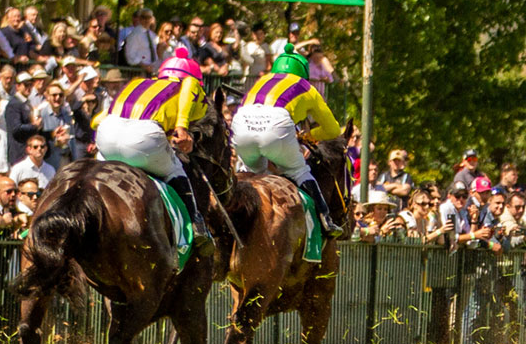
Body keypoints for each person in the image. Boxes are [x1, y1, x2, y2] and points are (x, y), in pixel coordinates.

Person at [94, 51, 221, 257]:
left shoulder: (140, 83)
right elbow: (189, 86)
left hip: (106, 132)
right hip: (143, 138)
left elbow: (98, 120)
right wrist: (182, 127)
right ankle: (196, 225)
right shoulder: (188, 84)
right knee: (176, 170)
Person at [233, 50, 347, 233]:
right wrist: (307, 136)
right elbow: (333, 130)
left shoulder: (262, 80)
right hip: (276, 124)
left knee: (252, 174)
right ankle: (326, 219)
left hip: (241, 122)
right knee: (300, 171)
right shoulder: (307, 87)